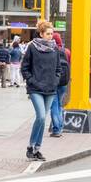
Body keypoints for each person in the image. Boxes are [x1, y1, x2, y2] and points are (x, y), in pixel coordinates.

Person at [21, 20, 68, 162]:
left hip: (50, 89)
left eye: (52, 33)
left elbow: (58, 69)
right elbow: (25, 68)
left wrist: (55, 81)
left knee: (42, 119)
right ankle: (30, 146)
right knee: (41, 116)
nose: (51, 36)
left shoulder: (55, 49)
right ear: (41, 34)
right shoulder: (32, 47)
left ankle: (36, 149)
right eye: (48, 33)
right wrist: (32, 81)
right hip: (35, 88)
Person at [49, 31, 70, 138]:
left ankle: (56, 129)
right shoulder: (66, 51)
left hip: (53, 81)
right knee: (60, 105)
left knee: (53, 106)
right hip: (63, 82)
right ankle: (60, 127)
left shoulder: (51, 51)